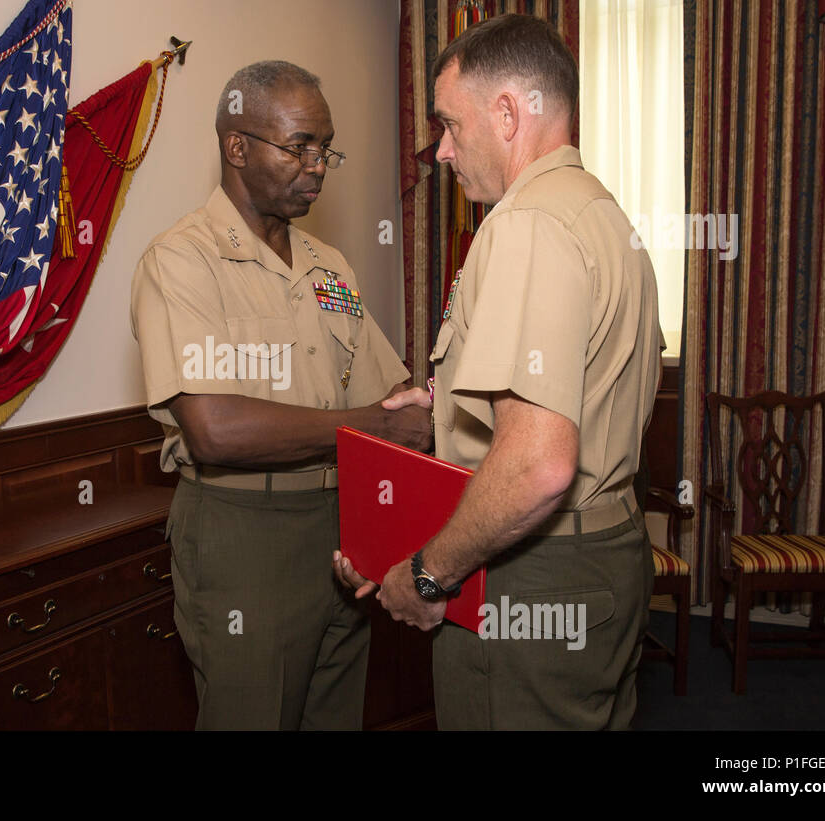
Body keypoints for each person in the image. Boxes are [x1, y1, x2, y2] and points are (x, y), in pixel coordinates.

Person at [335, 14, 663, 730]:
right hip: (605, 553)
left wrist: (428, 574)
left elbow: (539, 464)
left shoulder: (527, 224)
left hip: (530, 574)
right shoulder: (606, 217)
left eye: (451, 125)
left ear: (509, 113)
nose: (443, 150)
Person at [130, 60, 430, 730]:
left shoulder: (330, 264)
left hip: (343, 532)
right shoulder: (182, 260)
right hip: (244, 536)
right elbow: (215, 428)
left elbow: (386, 389)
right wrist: (373, 429)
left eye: (325, 148)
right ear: (237, 146)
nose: (318, 165)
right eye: (299, 147)